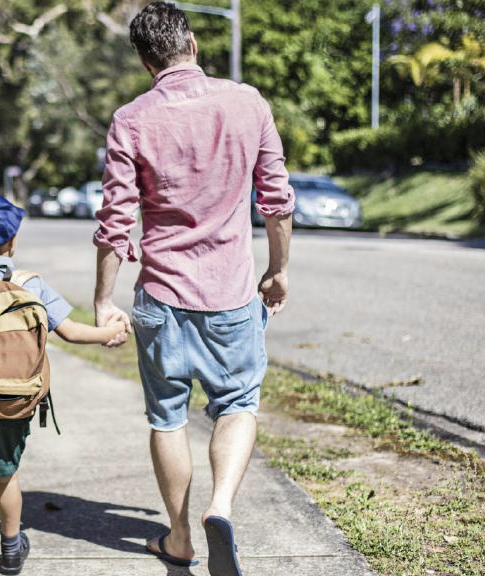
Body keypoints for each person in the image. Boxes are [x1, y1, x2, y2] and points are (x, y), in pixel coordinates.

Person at [92, 3, 295, 575]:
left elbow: (115, 223)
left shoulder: (131, 119)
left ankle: (179, 537)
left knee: (167, 418)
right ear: (194, 45)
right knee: (237, 405)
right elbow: (276, 201)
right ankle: (221, 507)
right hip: (232, 295)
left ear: (143, 60)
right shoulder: (248, 102)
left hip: (161, 297)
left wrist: (105, 300)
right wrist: (278, 271)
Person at [0, 192, 126, 576]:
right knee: (6, 475)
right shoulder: (32, 285)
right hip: (17, 400)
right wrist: (108, 333)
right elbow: (71, 332)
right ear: (12, 241)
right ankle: (11, 552)